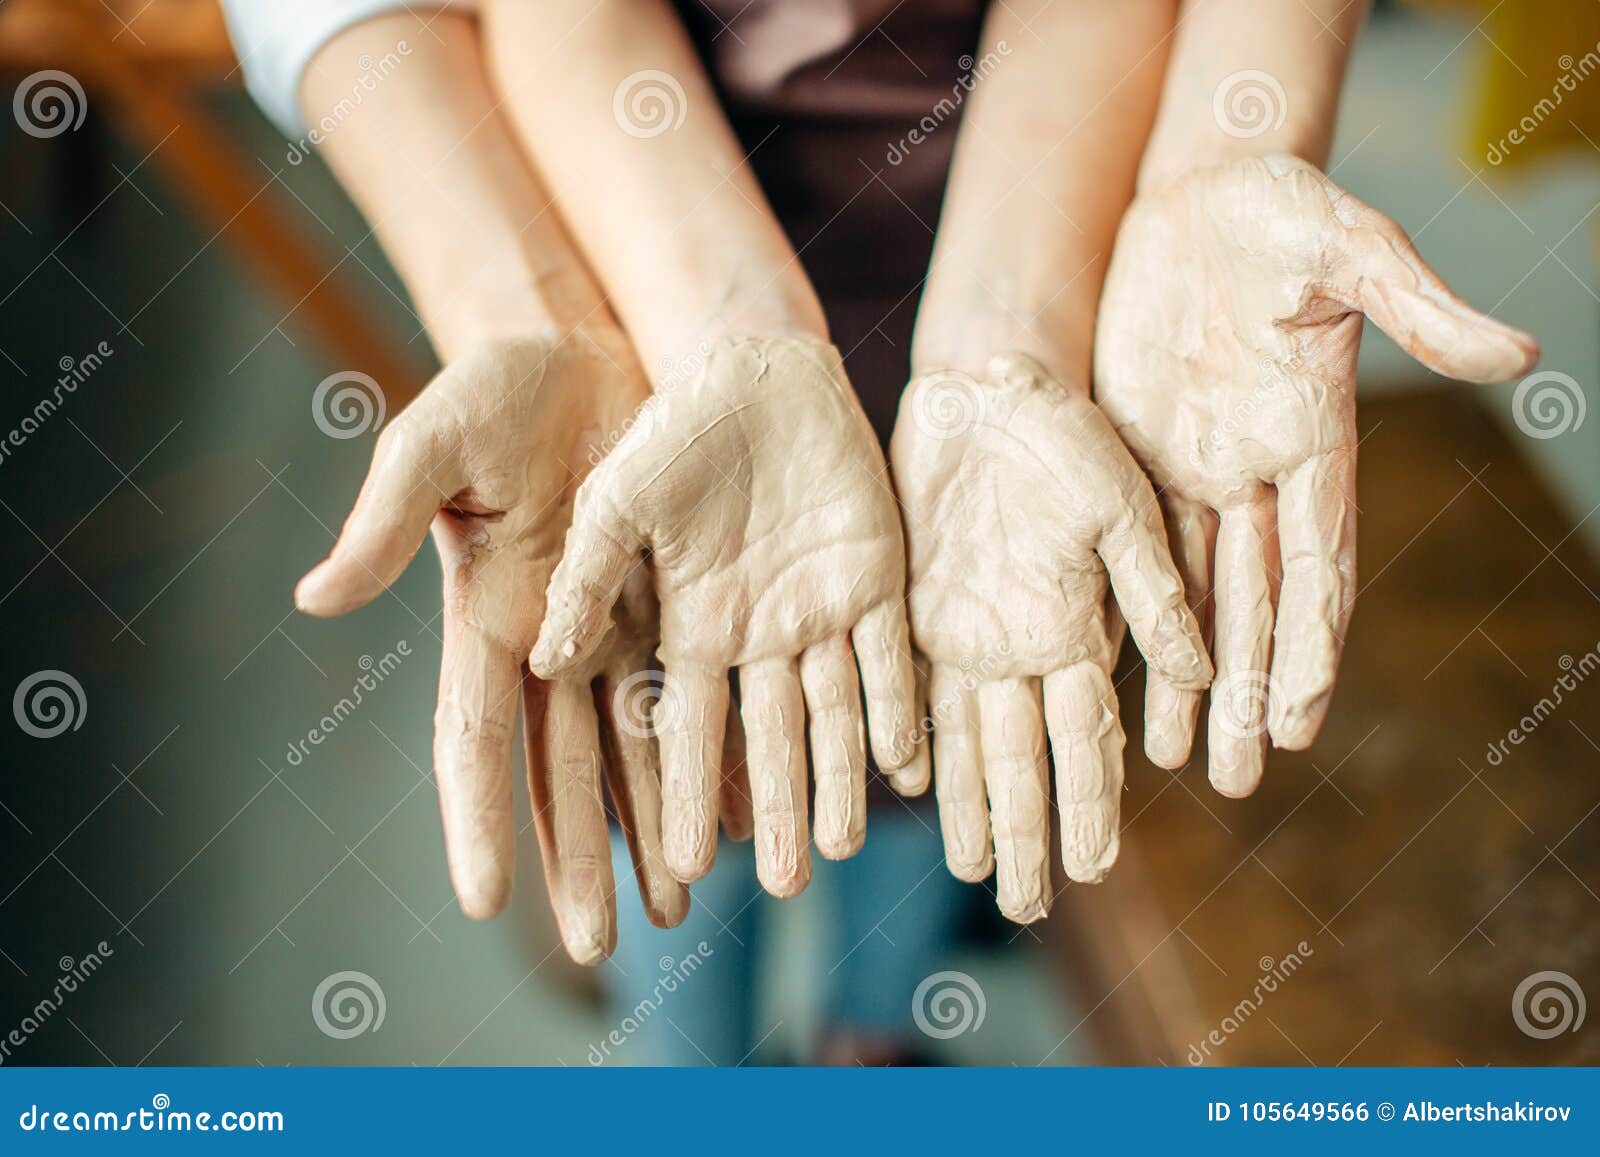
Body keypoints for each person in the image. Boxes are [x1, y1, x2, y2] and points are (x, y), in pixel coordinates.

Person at [220, 1, 1537, 1059]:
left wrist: (1020, 314)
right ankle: (694, 1065)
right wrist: (648, 320)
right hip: (638, 316)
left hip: (1033, 244)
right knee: (675, 751)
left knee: (945, 721)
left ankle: (875, 1037)